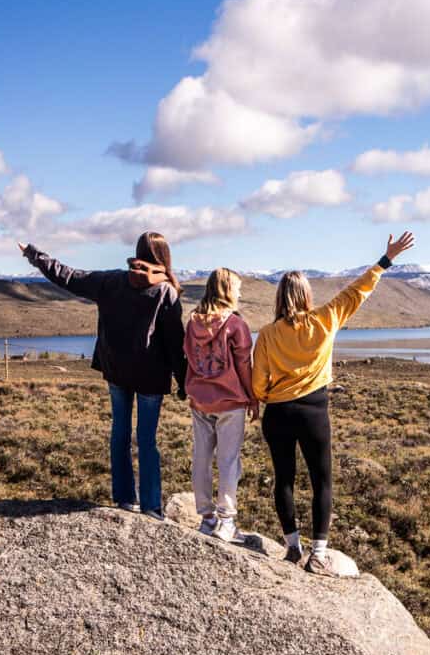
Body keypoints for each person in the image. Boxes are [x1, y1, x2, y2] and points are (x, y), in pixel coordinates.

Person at [252, 231, 414, 576]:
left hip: (278, 413)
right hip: (313, 412)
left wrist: (270, 396)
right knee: (322, 480)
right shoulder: (326, 318)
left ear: (280, 298)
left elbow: (257, 383)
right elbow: (358, 291)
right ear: (307, 295)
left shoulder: (267, 334)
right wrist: (386, 260)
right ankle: (319, 553)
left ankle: (292, 547)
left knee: (284, 479)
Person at [18, 232, 186, 519]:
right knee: (147, 439)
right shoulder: (166, 292)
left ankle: (123, 498)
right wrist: (184, 382)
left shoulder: (111, 281)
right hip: (150, 376)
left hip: (116, 370)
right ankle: (151, 506)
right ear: (164, 257)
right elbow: (174, 342)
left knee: (119, 432)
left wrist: (35, 255)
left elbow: (67, 276)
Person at [183, 267, 258, 542]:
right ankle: (226, 522)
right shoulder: (236, 325)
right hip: (230, 401)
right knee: (228, 462)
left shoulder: (193, 323)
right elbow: (243, 366)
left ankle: (206, 518)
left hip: (200, 400)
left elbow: (189, 359)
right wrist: (252, 398)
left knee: (201, 458)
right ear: (227, 290)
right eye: (237, 288)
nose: (239, 293)